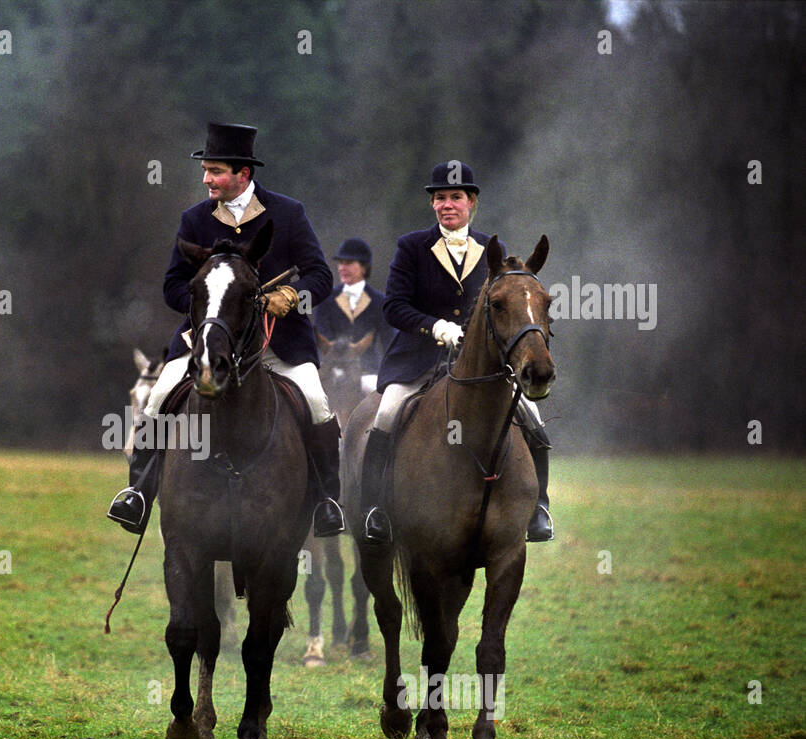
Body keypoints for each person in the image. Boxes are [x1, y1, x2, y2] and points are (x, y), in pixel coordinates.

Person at [107, 122, 343, 538]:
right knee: (158, 397)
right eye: (206, 170)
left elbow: (320, 276)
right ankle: (137, 493)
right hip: (208, 340)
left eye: (215, 171)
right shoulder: (195, 219)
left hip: (278, 344)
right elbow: (172, 286)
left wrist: (289, 296)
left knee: (317, 402)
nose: (206, 179)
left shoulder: (289, 213)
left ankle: (327, 500)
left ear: (242, 174)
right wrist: (209, 308)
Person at [358, 160, 554, 546]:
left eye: (456, 197)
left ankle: (539, 509)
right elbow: (394, 306)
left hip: (480, 365)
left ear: (472, 202)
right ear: (433, 204)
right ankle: (375, 509)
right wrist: (436, 326)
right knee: (385, 415)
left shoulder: (492, 252)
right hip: (418, 359)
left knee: (534, 420)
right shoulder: (411, 247)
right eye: (440, 198)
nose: (448, 204)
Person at [312, 237, 394, 394]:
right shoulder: (326, 299)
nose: (342, 268)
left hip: (368, 371)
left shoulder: (380, 301)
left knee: (378, 398)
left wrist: (389, 372)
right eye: (340, 263)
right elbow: (322, 337)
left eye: (348, 263)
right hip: (332, 369)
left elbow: (389, 342)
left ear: (363, 268)